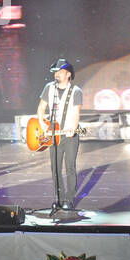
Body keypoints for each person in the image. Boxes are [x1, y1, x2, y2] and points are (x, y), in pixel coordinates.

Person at [36, 59, 84, 211]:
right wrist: (42, 122)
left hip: (69, 136)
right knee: (55, 168)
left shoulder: (76, 91)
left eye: (60, 72)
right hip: (53, 135)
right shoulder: (49, 88)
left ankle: (69, 199)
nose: (56, 74)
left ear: (68, 74)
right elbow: (41, 107)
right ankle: (58, 197)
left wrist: (72, 128)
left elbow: (76, 112)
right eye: (55, 72)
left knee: (69, 167)